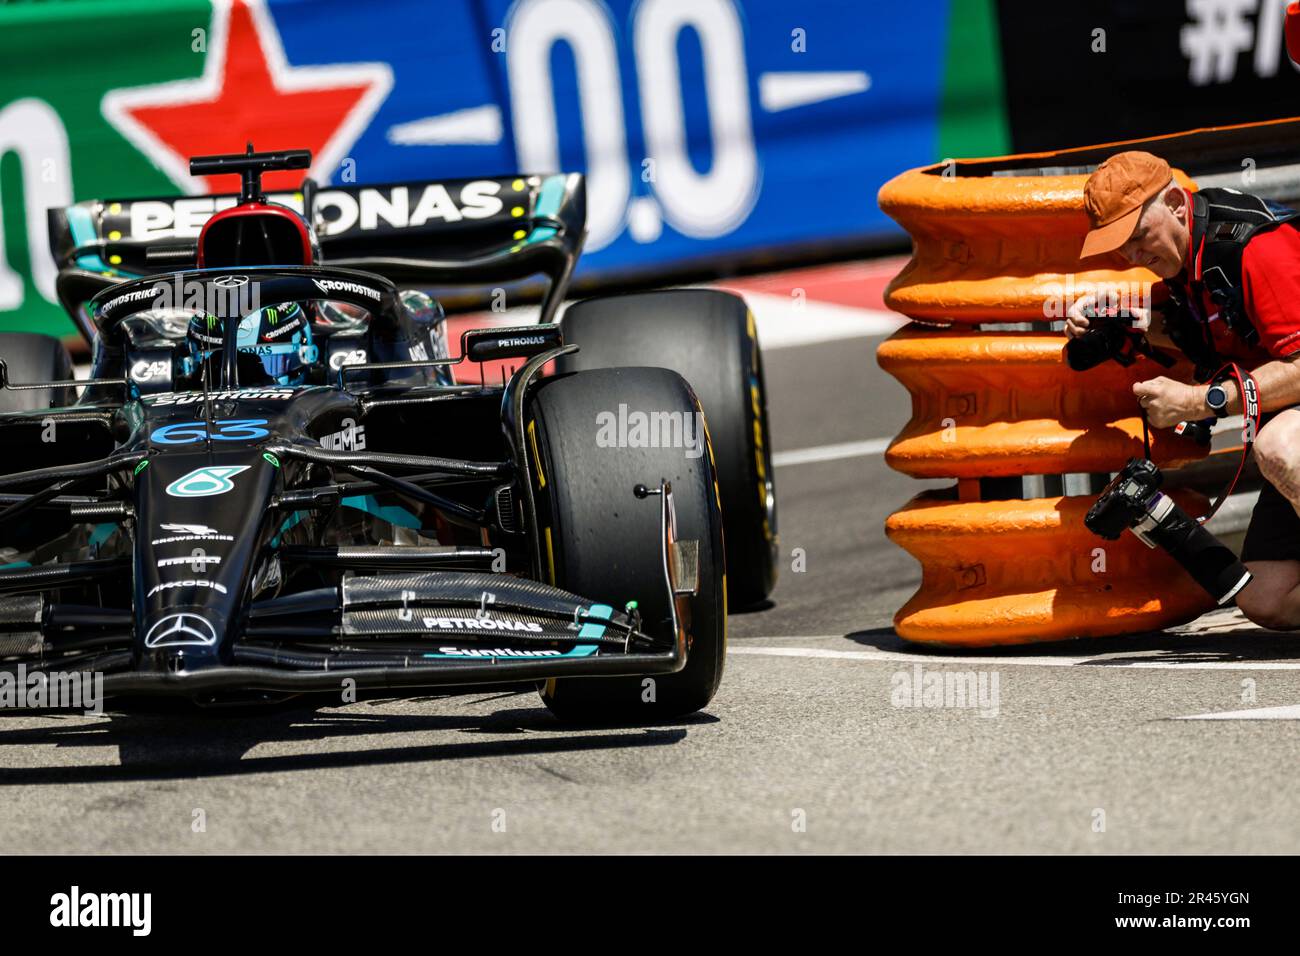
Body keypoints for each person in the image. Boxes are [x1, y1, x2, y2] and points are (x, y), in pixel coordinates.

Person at [1066, 150, 1300, 628]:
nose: (1131, 256)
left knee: (1280, 446)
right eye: (1119, 245)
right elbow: (1210, 330)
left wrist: (1201, 401)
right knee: (1268, 600)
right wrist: (1124, 320)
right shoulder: (1188, 262)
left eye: (1136, 236)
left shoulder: (1253, 247)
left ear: (1174, 202)